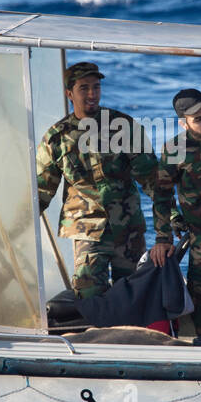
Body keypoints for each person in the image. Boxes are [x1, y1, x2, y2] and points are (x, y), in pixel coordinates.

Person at [37, 62, 159, 299]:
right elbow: (41, 191)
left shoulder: (122, 126)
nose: (92, 94)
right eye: (84, 88)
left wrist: (170, 220)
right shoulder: (57, 138)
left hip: (128, 229)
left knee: (134, 295)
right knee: (89, 294)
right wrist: (13, 230)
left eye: (96, 87)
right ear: (69, 94)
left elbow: (152, 179)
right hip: (86, 229)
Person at [149, 89, 201, 337]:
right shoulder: (175, 149)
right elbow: (162, 195)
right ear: (184, 123)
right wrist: (164, 238)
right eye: (199, 119)